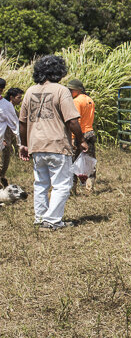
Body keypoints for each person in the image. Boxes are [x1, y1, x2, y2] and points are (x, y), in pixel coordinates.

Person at [17, 55, 86, 230]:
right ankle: (52, 220)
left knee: (40, 183)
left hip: (36, 145)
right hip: (56, 144)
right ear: (58, 71)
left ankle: (40, 217)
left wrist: (23, 145)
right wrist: (81, 140)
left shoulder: (30, 91)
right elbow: (72, 121)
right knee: (62, 184)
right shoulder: (61, 90)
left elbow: (22, 122)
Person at [66, 78, 97, 193]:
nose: (69, 92)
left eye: (71, 90)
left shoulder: (76, 101)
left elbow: (75, 121)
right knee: (90, 160)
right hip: (90, 132)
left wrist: (73, 138)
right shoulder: (89, 100)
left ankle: (72, 188)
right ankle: (90, 186)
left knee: (73, 161)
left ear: (77, 90)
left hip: (81, 134)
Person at [0, 81, 23, 188]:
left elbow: (15, 126)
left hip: (2, 143)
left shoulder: (6, 106)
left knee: (3, 166)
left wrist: (20, 145)